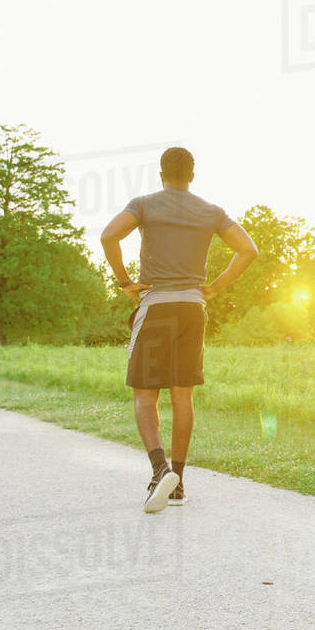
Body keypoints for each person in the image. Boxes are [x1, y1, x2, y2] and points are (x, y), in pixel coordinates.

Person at [100, 147, 258, 513]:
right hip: (192, 308)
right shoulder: (211, 211)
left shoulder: (144, 204)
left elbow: (109, 236)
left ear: (161, 175)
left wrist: (125, 282)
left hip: (157, 305)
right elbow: (249, 249)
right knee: (182, 396)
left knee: (145, 395)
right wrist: (214, 287)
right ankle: (179, 484)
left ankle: (160, 471)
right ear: (192, 176)